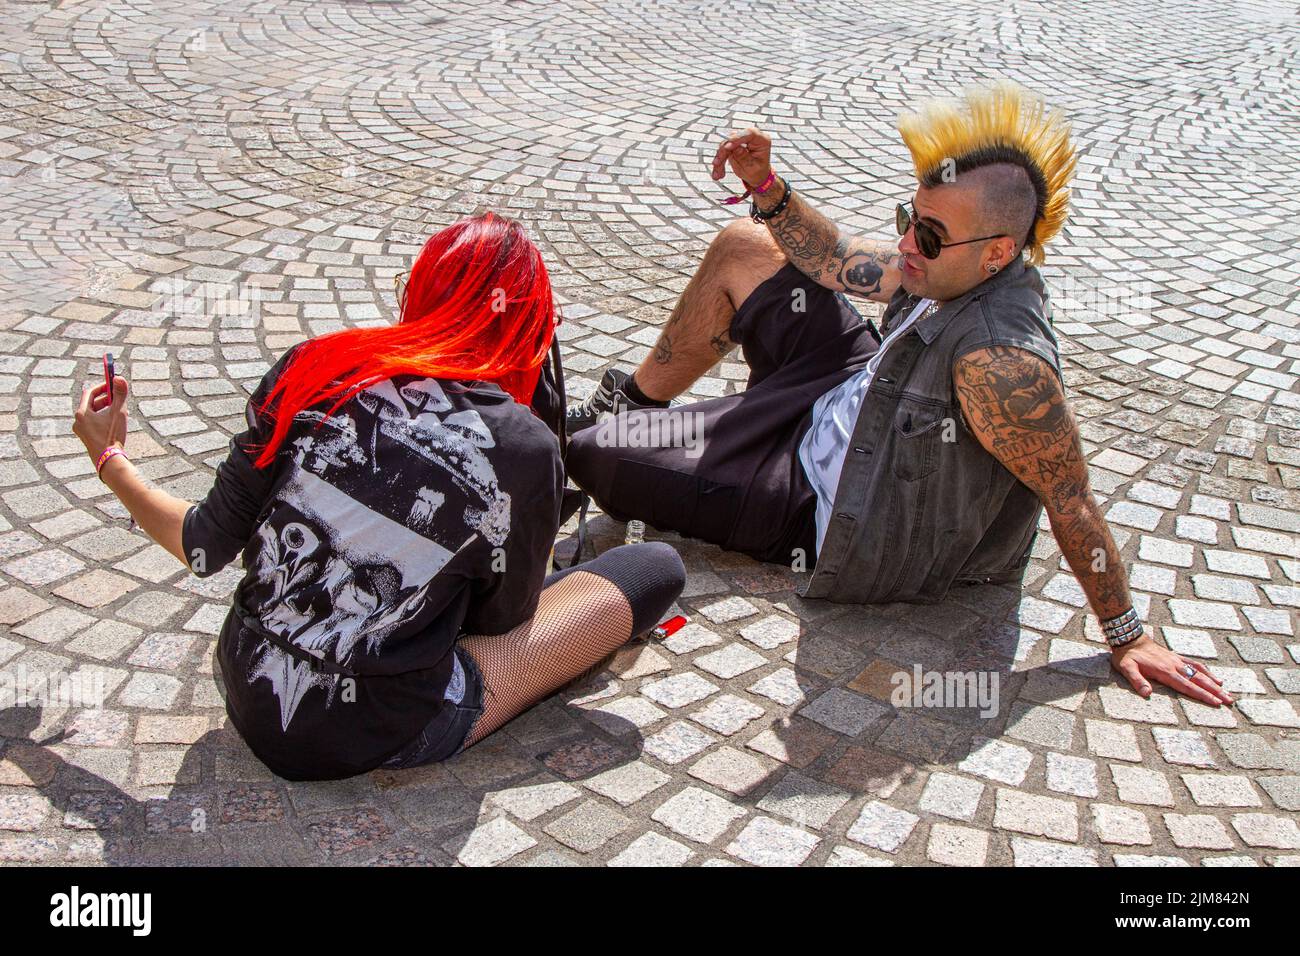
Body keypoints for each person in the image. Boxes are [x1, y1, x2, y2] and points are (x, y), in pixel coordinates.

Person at [564, 83, 1231, 709]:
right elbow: (832, 257)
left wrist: (1128, 636)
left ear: (997, 254)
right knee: (747, 245)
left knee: (595, 456)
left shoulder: (1000, 362)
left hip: (830, 498)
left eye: (930, 235)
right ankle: (636, 406)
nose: (909, 243)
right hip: (852, 390)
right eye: (911, 218)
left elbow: (1071, 497)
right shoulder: (945, 269)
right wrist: (766, 187)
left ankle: (631, 437)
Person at [73, 212, 685, 781]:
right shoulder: (523, 447)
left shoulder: (313, 369)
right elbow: (500, 622)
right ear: (529, 325)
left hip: (245, 678)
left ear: (415, 294)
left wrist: (111, 459)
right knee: (651, 567)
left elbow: (202, 546)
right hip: (386, 730)